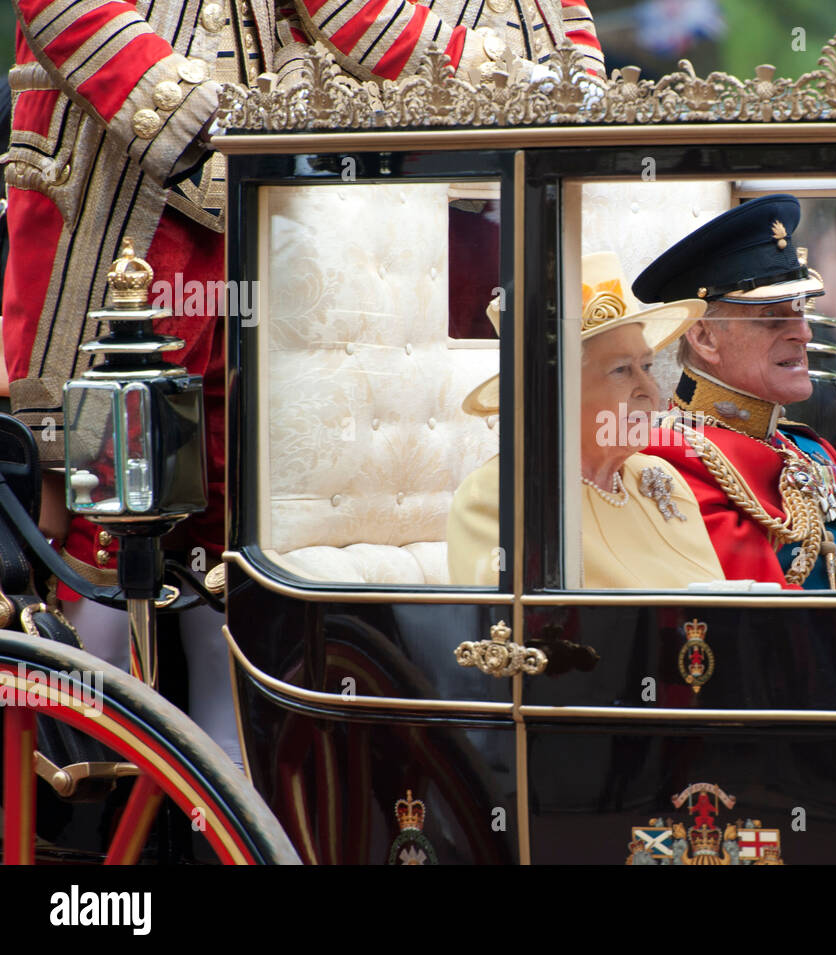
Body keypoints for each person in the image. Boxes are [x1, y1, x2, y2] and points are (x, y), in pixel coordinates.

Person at [3, 0, 604, 767]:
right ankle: (72, 777)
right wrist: (193, 113)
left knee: (240, 504)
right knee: (96, 488)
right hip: (118, 184)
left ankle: (225, 782)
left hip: (278, 194)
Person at [632, 194, 836, 590]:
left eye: (801, 310)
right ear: (704, 337)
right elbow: (760, 616)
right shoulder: (671, 457)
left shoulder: (810, 448)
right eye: (772, 317)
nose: (803, 332)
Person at [448, 252, 724, 588]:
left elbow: (716, 603)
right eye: (621, 370)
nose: (650, 391)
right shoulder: (498, 496)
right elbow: (516, 618)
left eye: (647, 367)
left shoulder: (659, 477)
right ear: (556, 390)